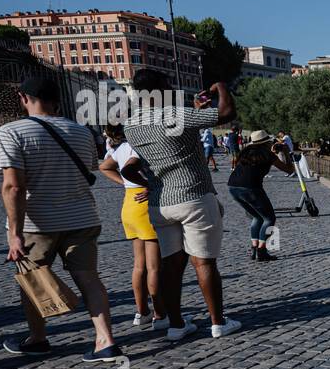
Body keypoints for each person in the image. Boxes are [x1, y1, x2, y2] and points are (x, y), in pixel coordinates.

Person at [0, 75, 122, 361]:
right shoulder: (82, 132)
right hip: (82, 217)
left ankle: (38, 338)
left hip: (36, 224)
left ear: (23, 98)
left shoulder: (11, 131)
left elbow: (14, 186)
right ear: (57, 101)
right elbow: (91, 166)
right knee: (90, 280)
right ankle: (105, 341)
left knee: (33, 280)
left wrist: (14, 233)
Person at [120, 68, 240, 340]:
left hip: (160, 203)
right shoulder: (176, 114)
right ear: (161, 88)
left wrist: (148, 184)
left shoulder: (131, 124)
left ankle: (175, 325)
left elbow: (134, 165)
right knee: (204, 263)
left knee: (170, 266)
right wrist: (221, 85)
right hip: (194, 196)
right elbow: (226, 113)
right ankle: (218, 322)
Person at [100, 124, 166, 327]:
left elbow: (104, 167)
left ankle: (141, 312)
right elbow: (129, 169)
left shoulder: (119, 148)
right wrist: (147, 184)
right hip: (143, 205)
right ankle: (160, 315)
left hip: (129, 204)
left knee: (139, 265)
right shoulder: (139, 147)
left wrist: (125, 184)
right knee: (154, 267)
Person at [228, 130, 295, 262]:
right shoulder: (268, 155)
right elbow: (289, 170)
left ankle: (254, 249)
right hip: (251, 188)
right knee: (269, 218)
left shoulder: (246, 152)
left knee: (257, 217)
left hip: (233, 186)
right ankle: (262, 250)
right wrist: (285, 152)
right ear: (266, 142)